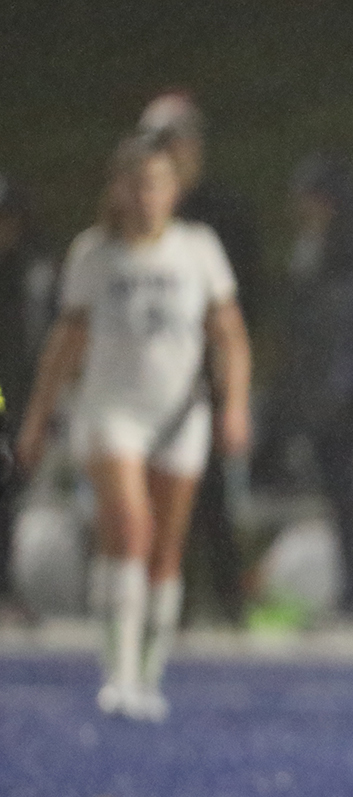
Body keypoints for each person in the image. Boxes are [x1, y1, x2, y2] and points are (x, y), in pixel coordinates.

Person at [13, 133, 251, 720]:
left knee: (166, 553)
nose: (145, 196)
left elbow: (229, 336)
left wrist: (234, 405)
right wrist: (37, 419)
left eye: (157, 184)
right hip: (112, 411)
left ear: (173, 191)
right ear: (117, 190)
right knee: (130, 529)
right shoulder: (94, 255)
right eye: (135, 184)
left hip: (179, 416)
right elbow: (65, 344)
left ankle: (147, 674)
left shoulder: (197, 250)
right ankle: (115, 677)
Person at [139, 92, 262, 626]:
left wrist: (231, 382)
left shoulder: (221, 214)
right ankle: (171, 602)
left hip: (203, 374)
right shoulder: (135, 211)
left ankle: (228, 601)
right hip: (148, 375)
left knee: (210, 494)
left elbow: (243, 306)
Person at [252, 153, 353, 615]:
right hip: (313, 396)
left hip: (349, 400)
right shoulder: (310, 250)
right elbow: (299, 331)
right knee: (336, 498)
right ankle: (350, 588)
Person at [0, 175, 59, 608]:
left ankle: (6, 584)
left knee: (10, 494)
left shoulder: (35, 269)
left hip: (18, 397)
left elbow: (47, 338)